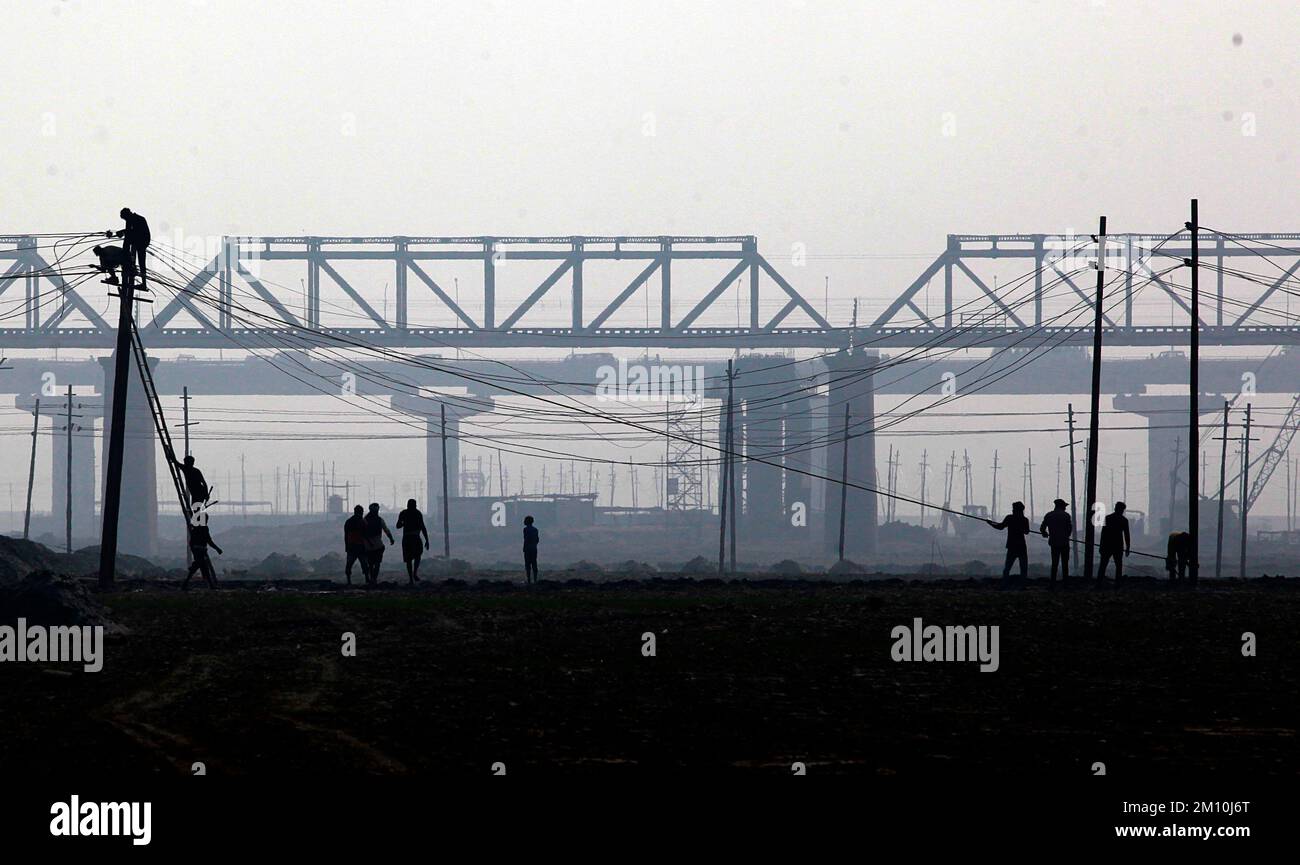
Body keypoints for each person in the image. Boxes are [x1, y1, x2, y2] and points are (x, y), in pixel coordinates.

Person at [987, 501, 1031, 585]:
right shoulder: (1025, 520)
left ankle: (1005, 583)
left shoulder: (1010, 518)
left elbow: (1000, 527)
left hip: (1012, 546)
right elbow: (1027, 532)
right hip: (1022, 546)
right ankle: (1022, 584)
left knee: (1007, 567)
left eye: (1013, 509)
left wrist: (990, 523)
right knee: (1023, 568)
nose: (1012, 510)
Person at [1039, 498, 1074, 585]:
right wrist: (1065, 536)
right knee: (1065, 564)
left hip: (1054, 542)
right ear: (1062, 506)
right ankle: (1065, 582)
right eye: (1064, 506)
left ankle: (1052, 583)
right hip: (1064, 542)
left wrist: (1044, 533)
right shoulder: (1066, 516)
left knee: (1054, 563)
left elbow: (1042, 528)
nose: (1065, 508)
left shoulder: (1049, 515)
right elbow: (1069, 529)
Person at [1096, 501, 1132, 586]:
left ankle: (1099, 583)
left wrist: (1101, 546)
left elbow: (1103, 533)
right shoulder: (1124, 520)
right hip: (1118, 546)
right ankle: (1117, 583)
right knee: (1118, 566)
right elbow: (1127, 535)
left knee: (1103, 565)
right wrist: (1127, 547)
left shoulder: (1108, 518)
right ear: (1123, 510)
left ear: (1115, 508)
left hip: (1107, 545)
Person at [395, 499, 430, 584]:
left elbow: (422, 527)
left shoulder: (412, 513)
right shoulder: (412, 513)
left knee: (414, 557)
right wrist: (426, 540)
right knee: (411, 558)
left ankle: (413, 575)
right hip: (411, 537)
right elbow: (398, 525)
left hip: (411, 537)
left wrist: (427, 540)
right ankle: (412, 576)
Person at [184, 516, 222, 590]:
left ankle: (185, 584)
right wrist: (217, 549)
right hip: (200, 551)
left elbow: (191, 543)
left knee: (201, 568)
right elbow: (209, 541)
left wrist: (194, 551)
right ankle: (211, 586)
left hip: (198, 551)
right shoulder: (203, 528)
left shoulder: (196, 528)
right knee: (202, 568)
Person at [115, 207, 151, 285]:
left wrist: (123, 232)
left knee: (142, 263)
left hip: (142, 241)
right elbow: (128, 232)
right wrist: (122, 232)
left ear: (128, 215)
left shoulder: (138, 219)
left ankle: (143, 283)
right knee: (141, 263)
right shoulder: (130, 219)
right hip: (137, 240)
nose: (125, 220)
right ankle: (127, 258)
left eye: (125, 218)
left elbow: (132, 232)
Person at [363, 503, 394, 585]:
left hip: (368, 546)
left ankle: (372, 579)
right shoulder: (379, 520)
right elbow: (386, 530)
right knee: (377, 563)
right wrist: (391, 538)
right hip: (377, 545)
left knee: (371, 564)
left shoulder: (365, 520)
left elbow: (362, 533)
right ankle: (374, 579)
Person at [343, 505, 368, 586]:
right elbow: (366, 535)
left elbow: (346, 536)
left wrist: (346, 546)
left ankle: (349, 581)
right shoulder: (363, 522)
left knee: (349, 565)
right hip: (360, 546)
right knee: (364, 564)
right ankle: (367, 579)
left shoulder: (349, 521)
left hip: (352, 546)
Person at [523, 515, 540, 584]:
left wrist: (524, 547)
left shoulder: (526, 529)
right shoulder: (535, 529)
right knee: (534, 564)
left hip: (528, 549)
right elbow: (537, 540)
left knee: (528, 565)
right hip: (534, 548)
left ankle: (529, 579)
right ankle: (535, 579)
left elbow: (526, 539)